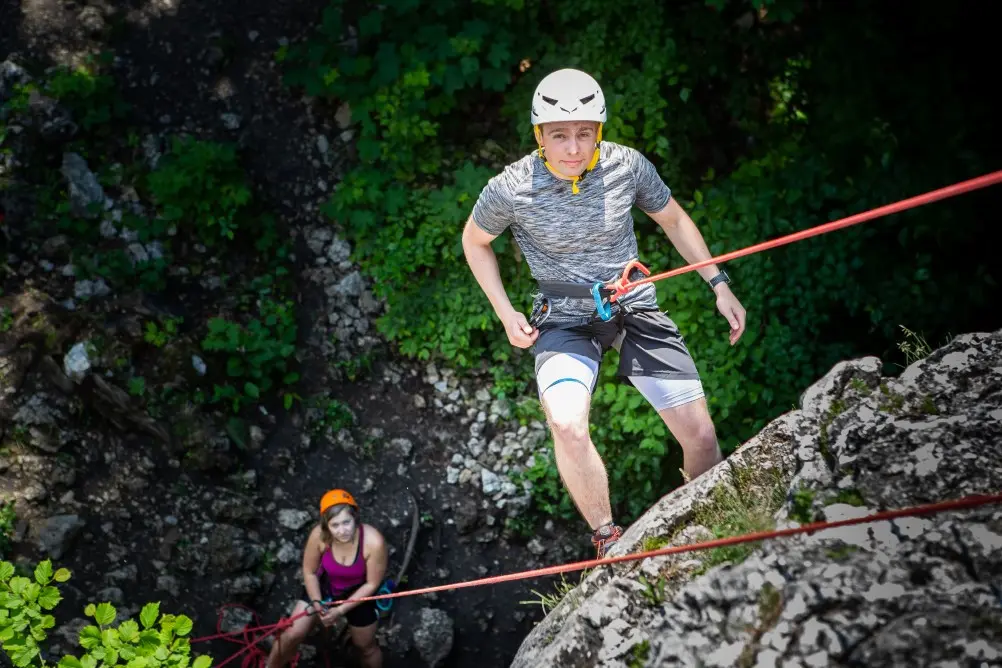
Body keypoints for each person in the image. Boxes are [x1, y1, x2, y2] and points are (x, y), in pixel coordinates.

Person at [461, 68, 747, 558]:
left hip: (632, 304)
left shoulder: (627, 166)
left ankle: (708, 534)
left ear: (599, 131)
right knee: (567, 423)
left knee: (701, 437)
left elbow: (674, 219)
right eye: (559, 135)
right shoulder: (511, 188)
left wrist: (717, 282)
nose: (573, 147)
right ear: (540, 137)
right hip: (563, 319)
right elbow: (474, 241)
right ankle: (608, 540)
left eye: (584, 133)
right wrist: (506, 312)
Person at [266, 489, 388, 668]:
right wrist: (317, 603)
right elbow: (309, 572)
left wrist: (340, 611)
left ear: (356, 518)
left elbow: (372, 583)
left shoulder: (373, 542)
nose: (342, 531)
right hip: (325, 586)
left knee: (366, 647)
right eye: (335, 525)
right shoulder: (320, 536)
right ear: (326, 526)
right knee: (292, 634)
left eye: (347, 522)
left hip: (359, 593)